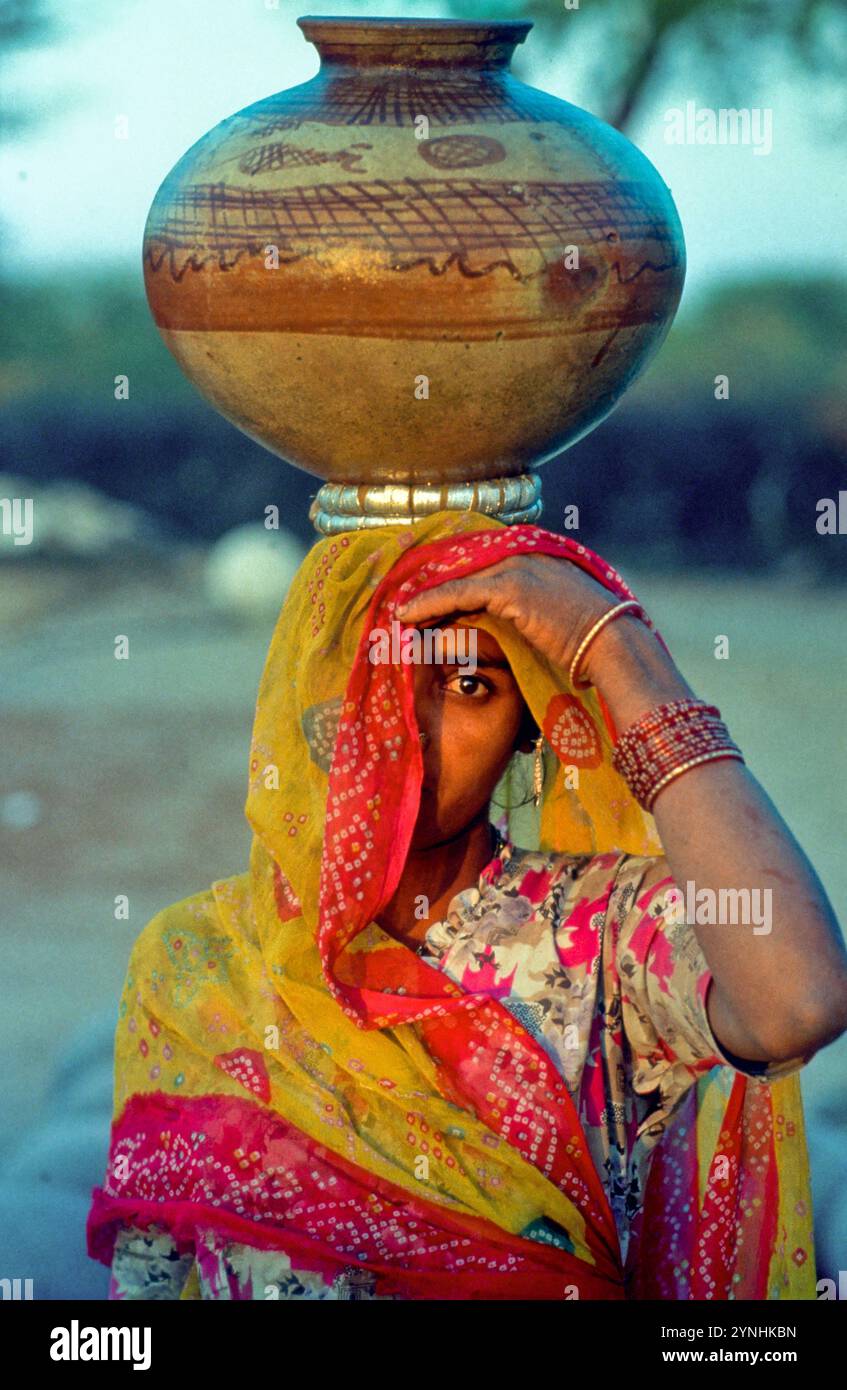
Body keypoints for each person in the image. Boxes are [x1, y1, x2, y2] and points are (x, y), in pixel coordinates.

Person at [87, 514, 847, 1299]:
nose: (405, 730)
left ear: (525, 729)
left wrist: (619, 649)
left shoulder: (602, 933)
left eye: (468, 686)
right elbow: (144, 1293)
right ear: (308, 701)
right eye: (371, 680)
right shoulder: (198, 965)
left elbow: (800, 1000)